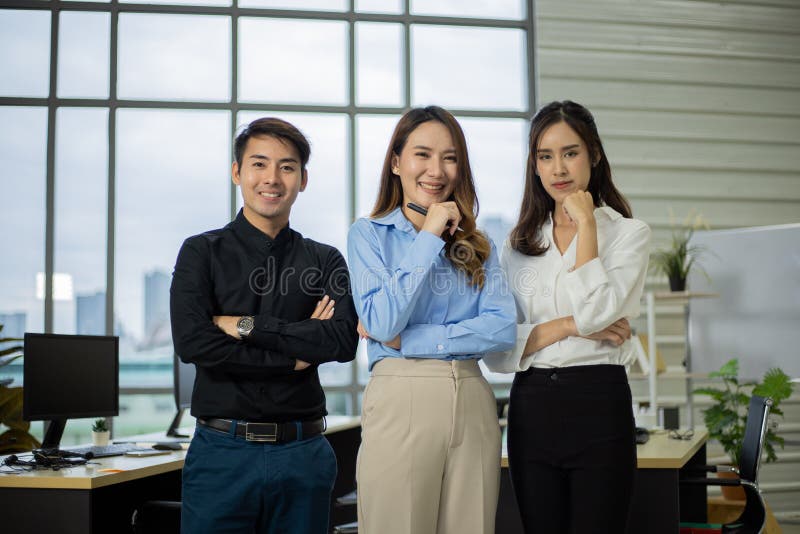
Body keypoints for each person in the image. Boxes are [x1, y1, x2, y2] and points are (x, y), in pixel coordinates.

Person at [170, 117, 359, 534]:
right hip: (222, 454)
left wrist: (245, 326)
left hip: (303, 455)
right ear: (237, 172)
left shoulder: (325, 260)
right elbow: (194, 343)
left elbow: (342, 341)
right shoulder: (201, 252)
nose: (272, 178)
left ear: (303, 179)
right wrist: (293, 356)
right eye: (259, 164)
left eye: (287, 167)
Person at [348, 105, 517, 534]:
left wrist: (417, 340)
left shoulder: (480, 245)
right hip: (401, 397)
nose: (436, 170)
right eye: (422, 154)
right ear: (396, 162)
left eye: (450, 157)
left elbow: (501, 328)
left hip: (474, 401)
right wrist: (428, 237)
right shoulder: (368, 235)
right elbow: (383, 323)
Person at [484, 100, 651, 533]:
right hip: (532, 408)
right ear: (534, 166)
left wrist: (587, 228)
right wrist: (571, 326)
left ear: (594, 154)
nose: (558, 168)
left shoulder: (630, 235)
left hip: (599, 403)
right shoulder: (517, 245)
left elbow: (596, 309)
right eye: (545, 156)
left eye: (570, 152)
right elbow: (498, 352)